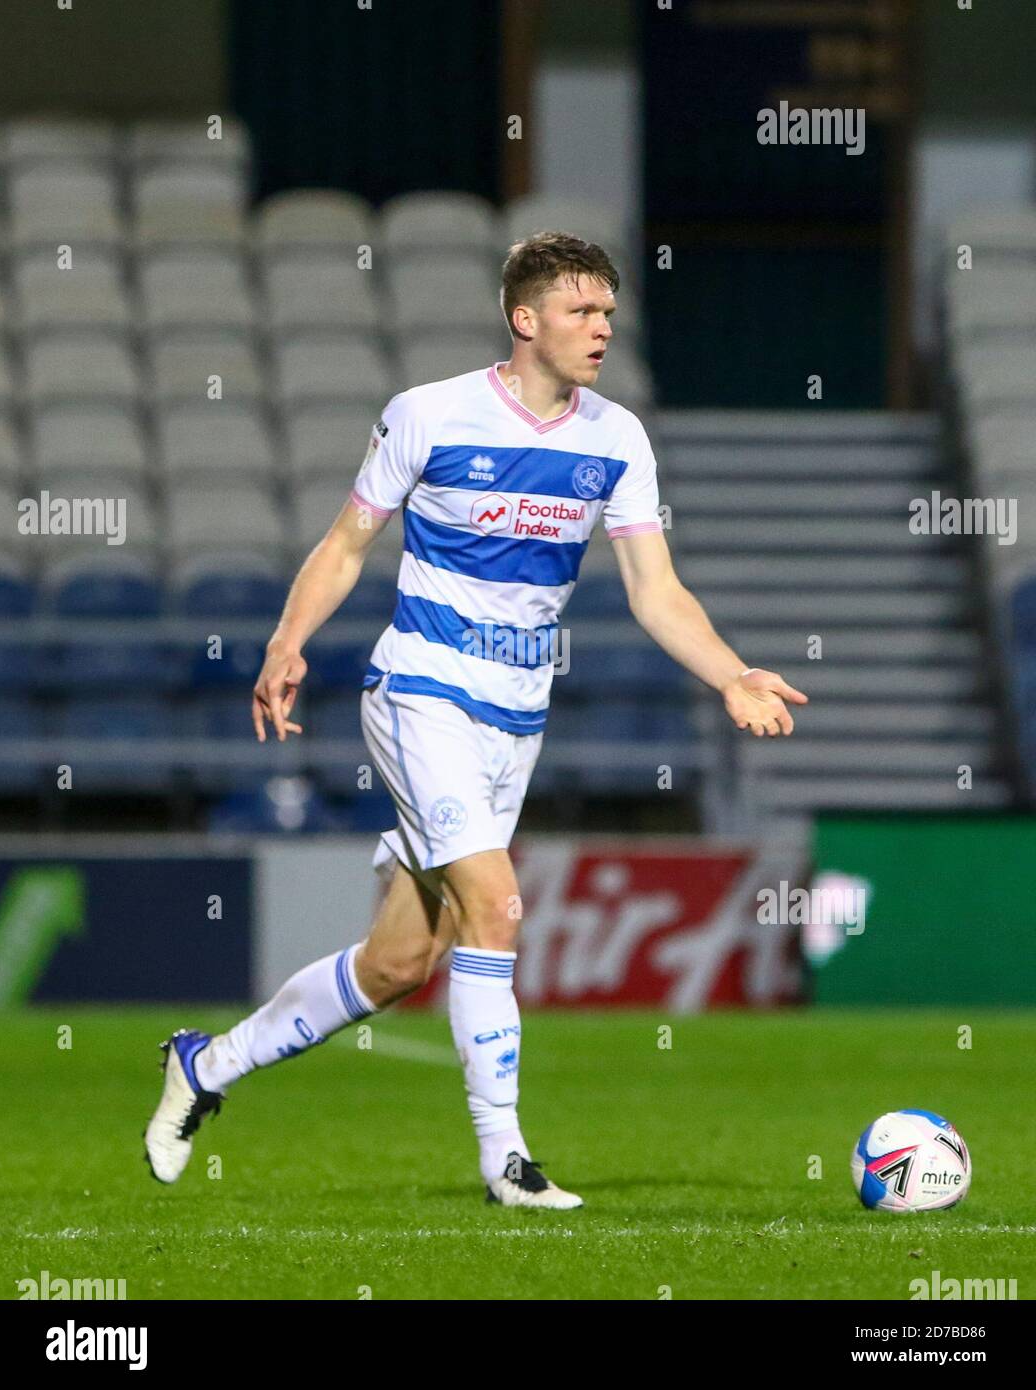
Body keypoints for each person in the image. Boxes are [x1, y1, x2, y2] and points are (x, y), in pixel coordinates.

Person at [145, 232, 807, 1208]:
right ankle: (507, 1161)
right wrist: (287, 642)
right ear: (524, 318)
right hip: (420, 691)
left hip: (516, 718)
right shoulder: (429, 414)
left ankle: (204, 1066)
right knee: (496, 904)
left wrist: (727, 672)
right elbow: (343, 543)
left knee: (399, 961)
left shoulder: (613, 437)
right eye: (582, 312)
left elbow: (653, 590)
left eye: (608, 313)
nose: (602, 329)